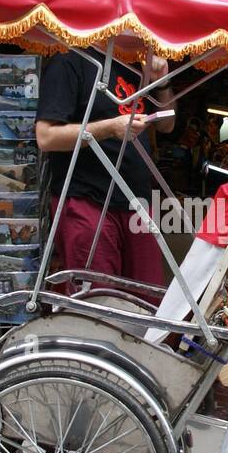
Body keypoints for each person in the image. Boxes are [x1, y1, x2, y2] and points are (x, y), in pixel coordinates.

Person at [36, 50, 174, 287]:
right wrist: (109, 128)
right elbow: (46, 137)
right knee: (98, 302)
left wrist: (162, 81)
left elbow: (167, 126)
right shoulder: (70, 61)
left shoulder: (136, 64)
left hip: (136, 201)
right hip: (87, 199)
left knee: (149, 297)